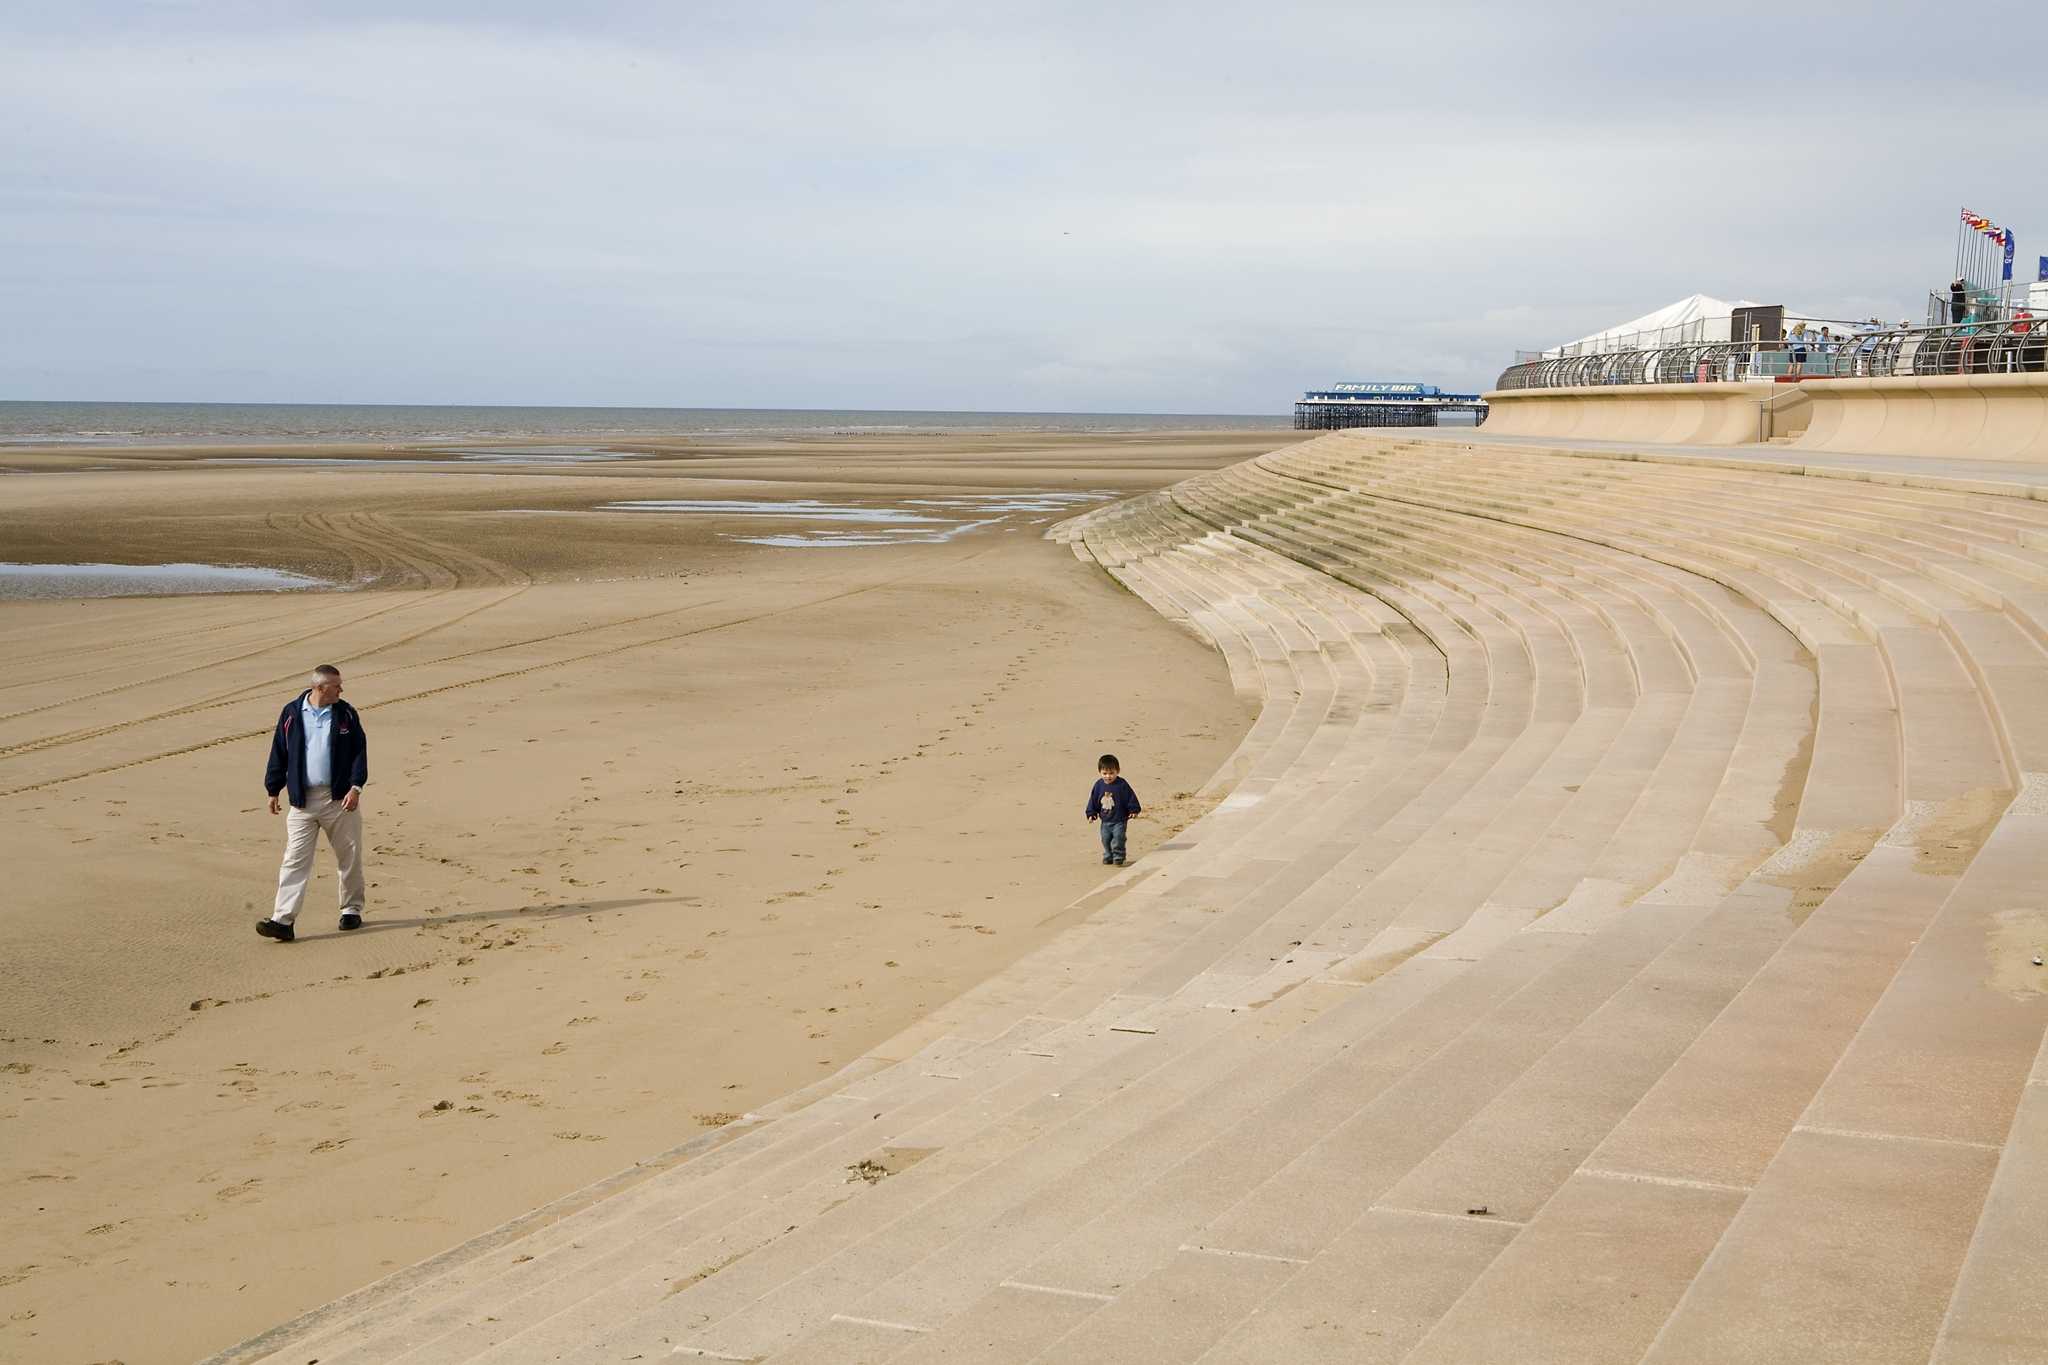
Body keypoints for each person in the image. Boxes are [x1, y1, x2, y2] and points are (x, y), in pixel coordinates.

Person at [258, 665, 368, 942]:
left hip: (339, 800)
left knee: (349, 856)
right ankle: (282, 921)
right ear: (320, 687)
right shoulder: (292, 713)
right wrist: (273, 790)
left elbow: (359, 752)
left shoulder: (346, 714)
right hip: (302, 802)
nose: (341, 690)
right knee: (294, 860)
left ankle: (351, 909)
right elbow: (279, 751)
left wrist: (356, 787)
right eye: (336, 686)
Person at [1083, 753, 1142, 867]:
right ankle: (1108, 855)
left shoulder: (1122, 784)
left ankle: (1119, 856)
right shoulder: (1099, 785)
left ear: (1117, 771)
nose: (1108, 776)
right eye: (1105, 773)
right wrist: (1091, 813)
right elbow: (1094, 800)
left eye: (1111, 773)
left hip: (1120, 819)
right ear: (1100, 772)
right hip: (1105, 820)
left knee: (1118, 838)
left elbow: (1130, 797)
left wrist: (1133, 810)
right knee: (1105, 839)